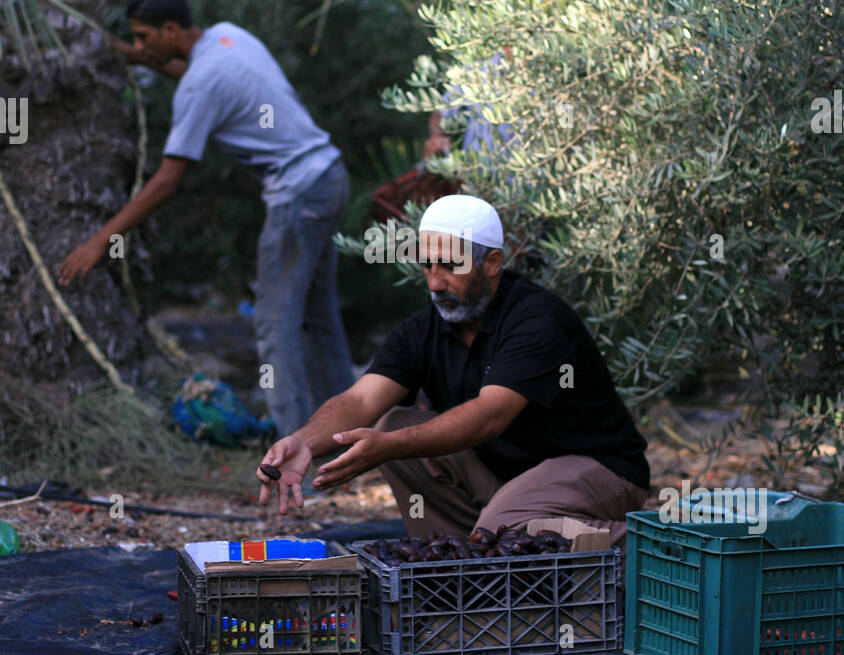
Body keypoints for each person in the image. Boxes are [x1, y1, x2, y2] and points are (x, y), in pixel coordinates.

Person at [256, 194, 651, 548]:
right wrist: (305, 440)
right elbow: (363, 398)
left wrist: (387, 447)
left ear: (492, 262)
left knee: (509, 525)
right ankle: (465, 561)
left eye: (449, 266)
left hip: (599, 470)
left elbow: (489, 416)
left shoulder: (537, 319)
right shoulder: (425, 328)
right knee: (393, 424)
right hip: (510, 480)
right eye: (427, 265)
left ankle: (659, 549)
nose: (434, 281)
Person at [57, 0, 355, 437]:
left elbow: (166, 181)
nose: (140, 46)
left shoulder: (200, 83)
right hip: (329, 177)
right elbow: (205, 78)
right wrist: (134, 56)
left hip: (298, 196)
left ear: (171, 28)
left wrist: (102, 239)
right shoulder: (227, 38)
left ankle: (298, 464)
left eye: (142, 37)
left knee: (276, 328)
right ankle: (348, 441)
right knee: (320, 319)